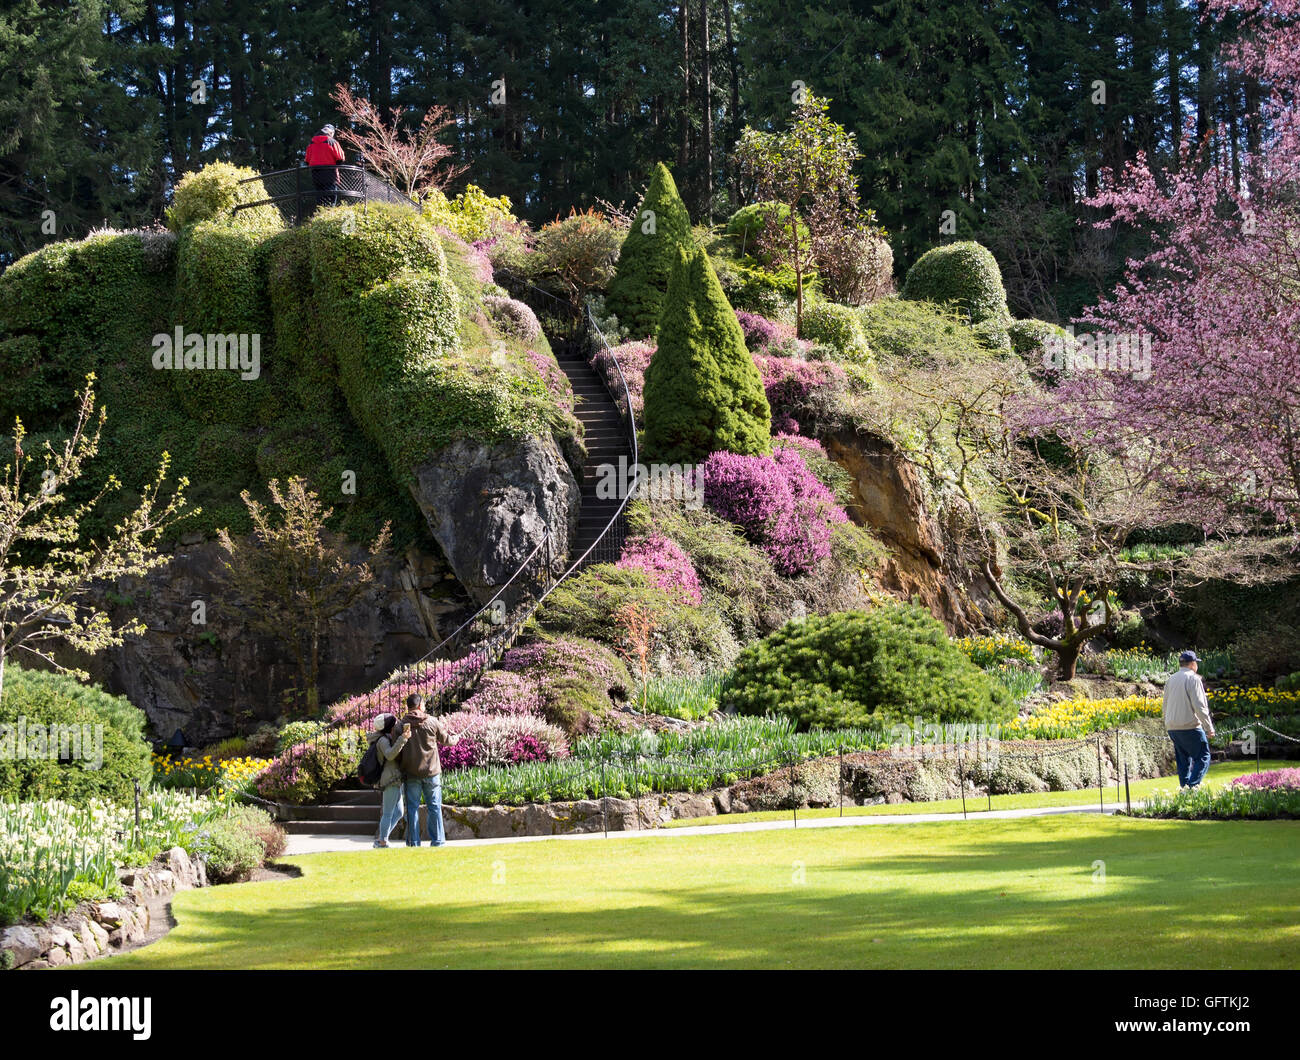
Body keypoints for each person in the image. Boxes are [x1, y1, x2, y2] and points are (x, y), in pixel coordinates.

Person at [398, 693, 460, 847]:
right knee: (434, 807)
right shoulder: (432, 722)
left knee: (412, 809)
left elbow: (396, 748)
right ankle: (437, 841)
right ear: (419, 706)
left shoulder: (400, 726)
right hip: (431, 772)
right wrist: (456, 738)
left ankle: (414, 843)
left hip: (411, 773)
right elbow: (447, 741)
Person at [1162, 650, 1216, 788]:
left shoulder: (1171, 679)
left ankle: (1184, 789)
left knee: (1183, 760)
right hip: (1189, 726)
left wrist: (1166, 724)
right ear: (1192, 664)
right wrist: (1209, 728)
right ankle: (1192, 787)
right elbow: (1200, 706)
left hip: (1173, 727)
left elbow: (1165, 705)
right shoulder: (1193, 679)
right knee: (1203, 756)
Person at [367, 712, 410, 848]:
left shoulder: (384, 738)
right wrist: (403, 738)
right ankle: (382, 841)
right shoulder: (383, 740)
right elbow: (390, 755)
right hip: (389, 779)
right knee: (388, 813)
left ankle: (381, 839)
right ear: (389, 727)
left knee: (398, 812)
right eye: (394, 724)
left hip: (393, 778)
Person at [304, 123, 345, 209]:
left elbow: (307, 160)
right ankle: (330, 214)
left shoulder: (312, 142)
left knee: (320, 198)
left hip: (316, 174)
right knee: (332, 197)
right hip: (330, 174)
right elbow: (340, 158)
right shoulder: (332, 141)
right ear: (331, 132)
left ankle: (320, 213)